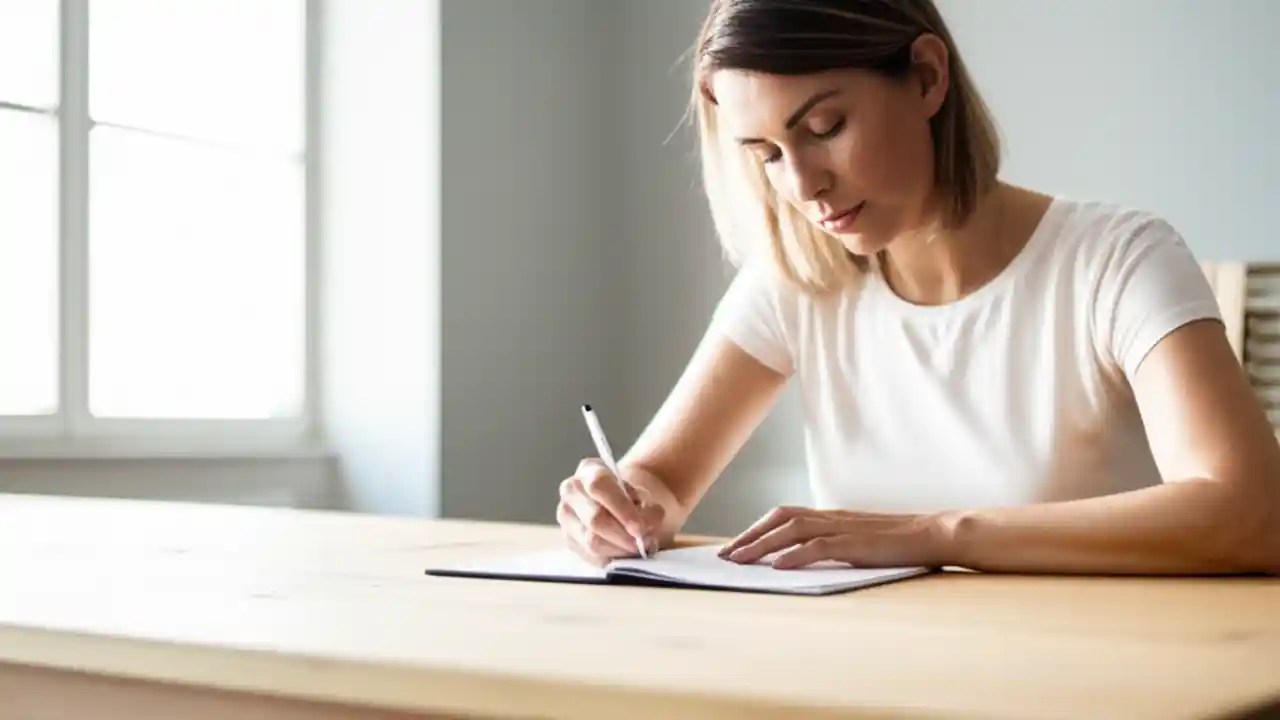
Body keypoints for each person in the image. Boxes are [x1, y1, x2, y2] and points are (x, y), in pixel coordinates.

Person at [555, 0, 1280, 574]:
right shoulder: (797, 282)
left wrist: (937, 534)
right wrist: (619, 506)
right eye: (768, 154)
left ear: (929, 77)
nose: (803, 185)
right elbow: (657, 483)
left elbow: (1252, 512)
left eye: (824, 126)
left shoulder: (1117, 261)